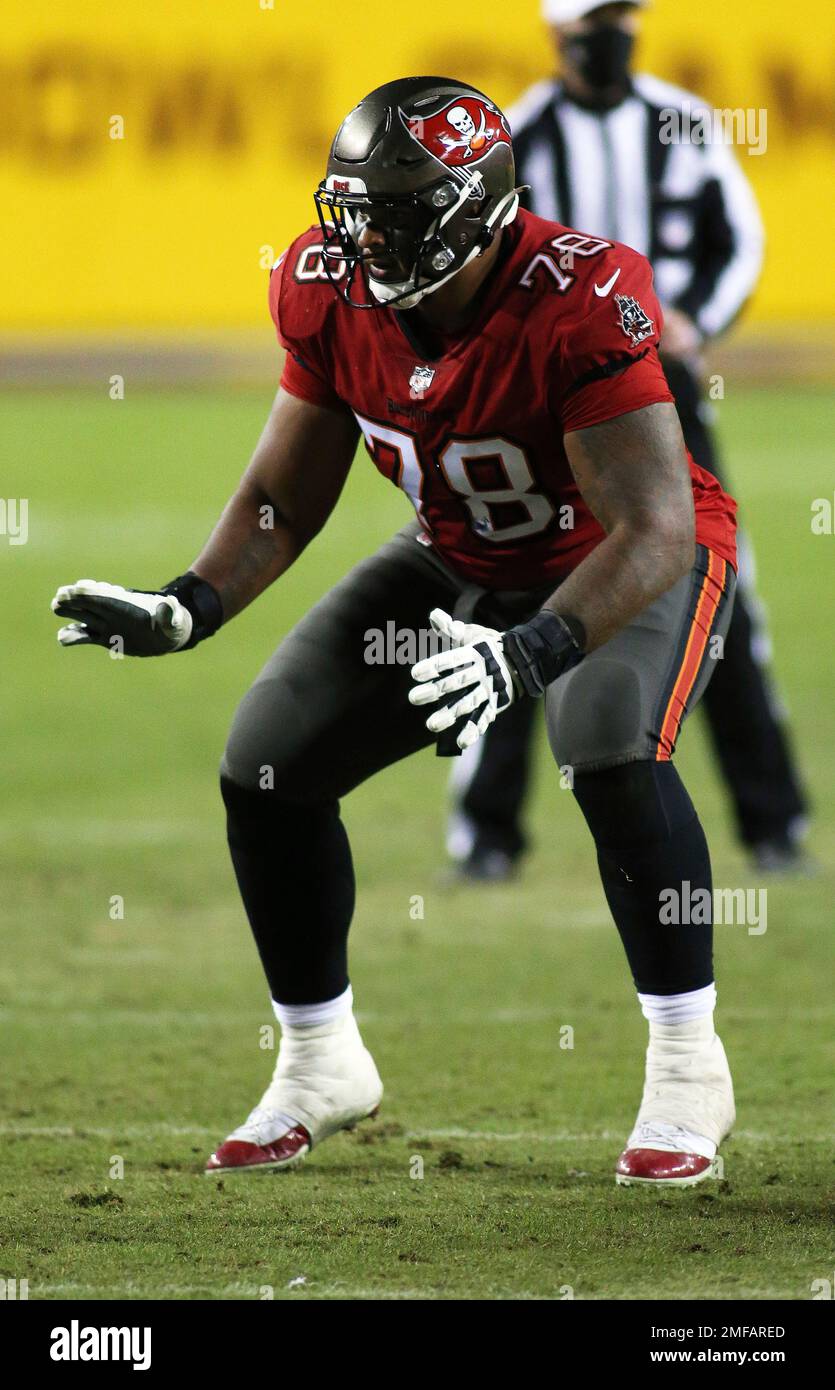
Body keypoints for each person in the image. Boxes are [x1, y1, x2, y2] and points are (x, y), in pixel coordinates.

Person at [53, 75, 740, 1187]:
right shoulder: (328, 291)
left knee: (606, 748)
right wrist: (191, 601)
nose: (366, 234)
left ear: (474, 211)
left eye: (399, 210)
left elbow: (655, 527)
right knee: (266, 763)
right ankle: (320, 1060)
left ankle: (684, 1064)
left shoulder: (575, 293)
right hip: (461, 554)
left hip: (619, 557)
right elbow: (286, 493)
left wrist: (530, 655)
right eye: (357, 207)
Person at [446, 0, 809, 882]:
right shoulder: (520, 133)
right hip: (545, 393)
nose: (607, 36)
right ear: (556, 32)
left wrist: (698, 321)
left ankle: (772, 824)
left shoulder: (682, 121)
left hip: (660, 383)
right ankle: (485, 834)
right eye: (590, 23)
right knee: (511, 586)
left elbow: (742, 238)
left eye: (618, 19)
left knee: (716, 585)